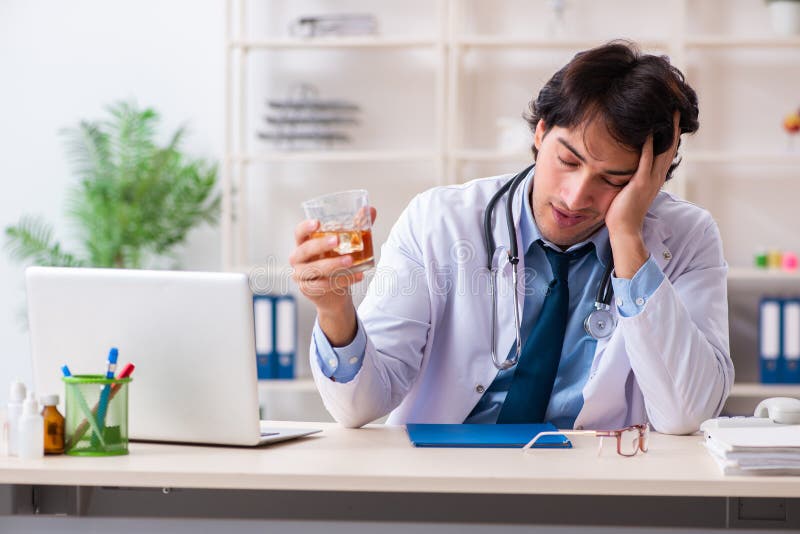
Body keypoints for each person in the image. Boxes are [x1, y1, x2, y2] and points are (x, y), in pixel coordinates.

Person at [289, 40, 733, 434]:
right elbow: (359, 406)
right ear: (540, 132)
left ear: (651, 179)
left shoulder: (688, 238)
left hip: (596, 490)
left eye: (613, 179)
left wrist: (628, 239)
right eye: (569, 160)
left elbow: (685, 414)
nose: (576, 196)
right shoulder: (439, 221)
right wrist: (334, 310)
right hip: (447, 484)